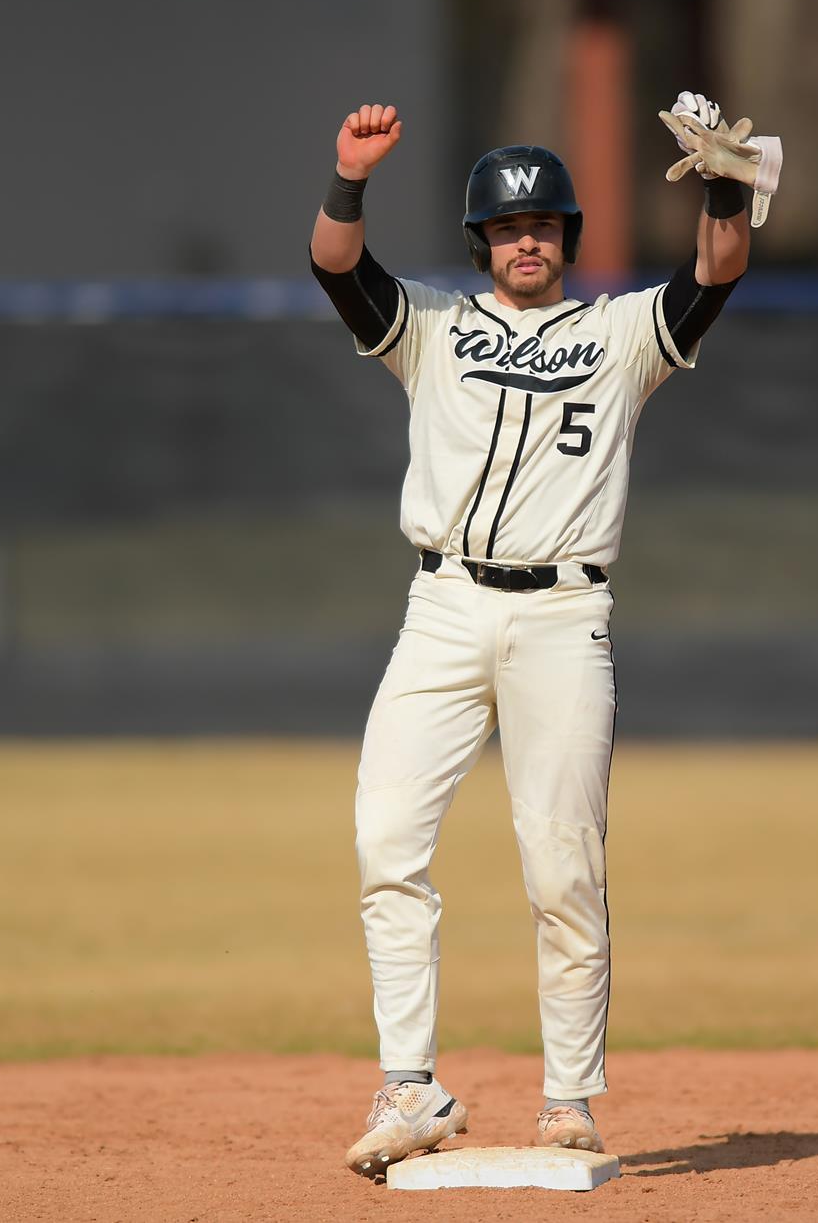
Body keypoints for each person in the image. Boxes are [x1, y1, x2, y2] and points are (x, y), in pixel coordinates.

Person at [308, 95, 775, 1178]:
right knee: (385, 839)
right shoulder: (428, 325)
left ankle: (567, 1097)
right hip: (442, 606)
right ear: (482, 242)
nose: (527, 240)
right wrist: (348, 176)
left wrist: (721, 183)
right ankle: (410, 1086)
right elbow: (337, 267)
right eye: (509, 228)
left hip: (563, 615)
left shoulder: (618, 335)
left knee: (561, 862)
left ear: (566, 237)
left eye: (545, 226)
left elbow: (716, 273)